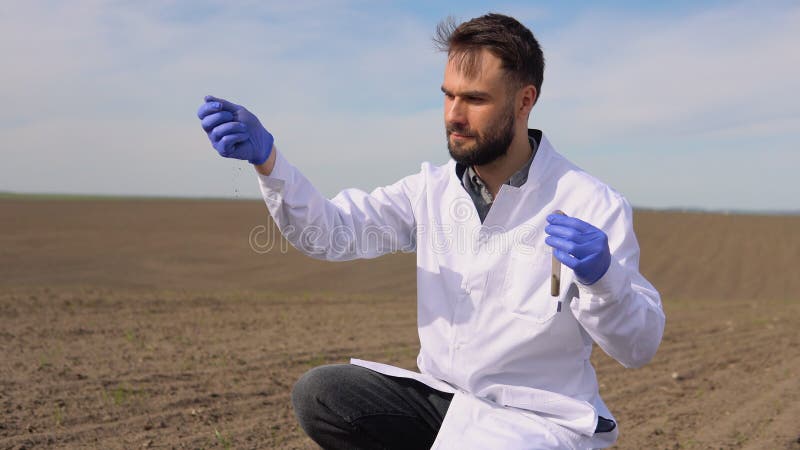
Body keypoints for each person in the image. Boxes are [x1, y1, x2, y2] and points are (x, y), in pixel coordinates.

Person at [196, 13, 665, 450]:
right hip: (446, 405)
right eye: (449, 95)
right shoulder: (430, 190)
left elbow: (638, 347)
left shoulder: (590, 204)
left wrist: (604, 280)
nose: (453, 115)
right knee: (322, 394)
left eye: (475, 99)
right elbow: (330, 232)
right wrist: (269, 161)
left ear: (525, 101)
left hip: (538, 424)